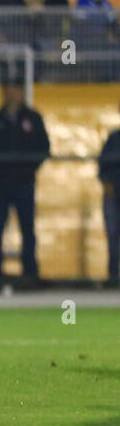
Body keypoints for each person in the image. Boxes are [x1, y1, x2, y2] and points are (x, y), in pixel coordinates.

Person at [0, 82, 50, 286]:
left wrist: (28, 168)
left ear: (22, 93)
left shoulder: (33, 118)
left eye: (16, 91)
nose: (13, 95)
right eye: (9, 91)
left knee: (27, 228)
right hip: (0, 183)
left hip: (24, 184)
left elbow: (44, 148)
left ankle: (30, 272)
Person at [98, 102, 120, 288]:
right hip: (114, 194)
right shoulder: (114, 138)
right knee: (112, 235)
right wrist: (107, 184)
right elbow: (102, 167)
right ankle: (113, 276)